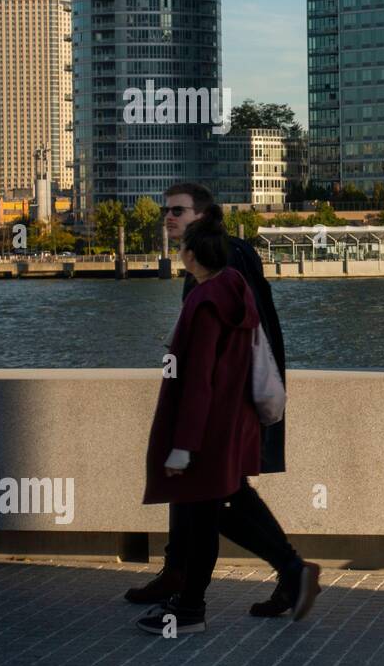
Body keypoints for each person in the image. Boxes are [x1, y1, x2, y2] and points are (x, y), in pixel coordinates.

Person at [126, 183, 318, 620]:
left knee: (213, 497)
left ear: (203, 216)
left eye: (178, 210)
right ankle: (189, 578)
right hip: (229, 408)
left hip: (224, 411)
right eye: (166, 210)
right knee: (218, 496)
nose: (168, 218)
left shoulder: (221, 266)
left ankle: (197, 596)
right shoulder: (223, 264)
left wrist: (197, 427)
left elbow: (233, 347)